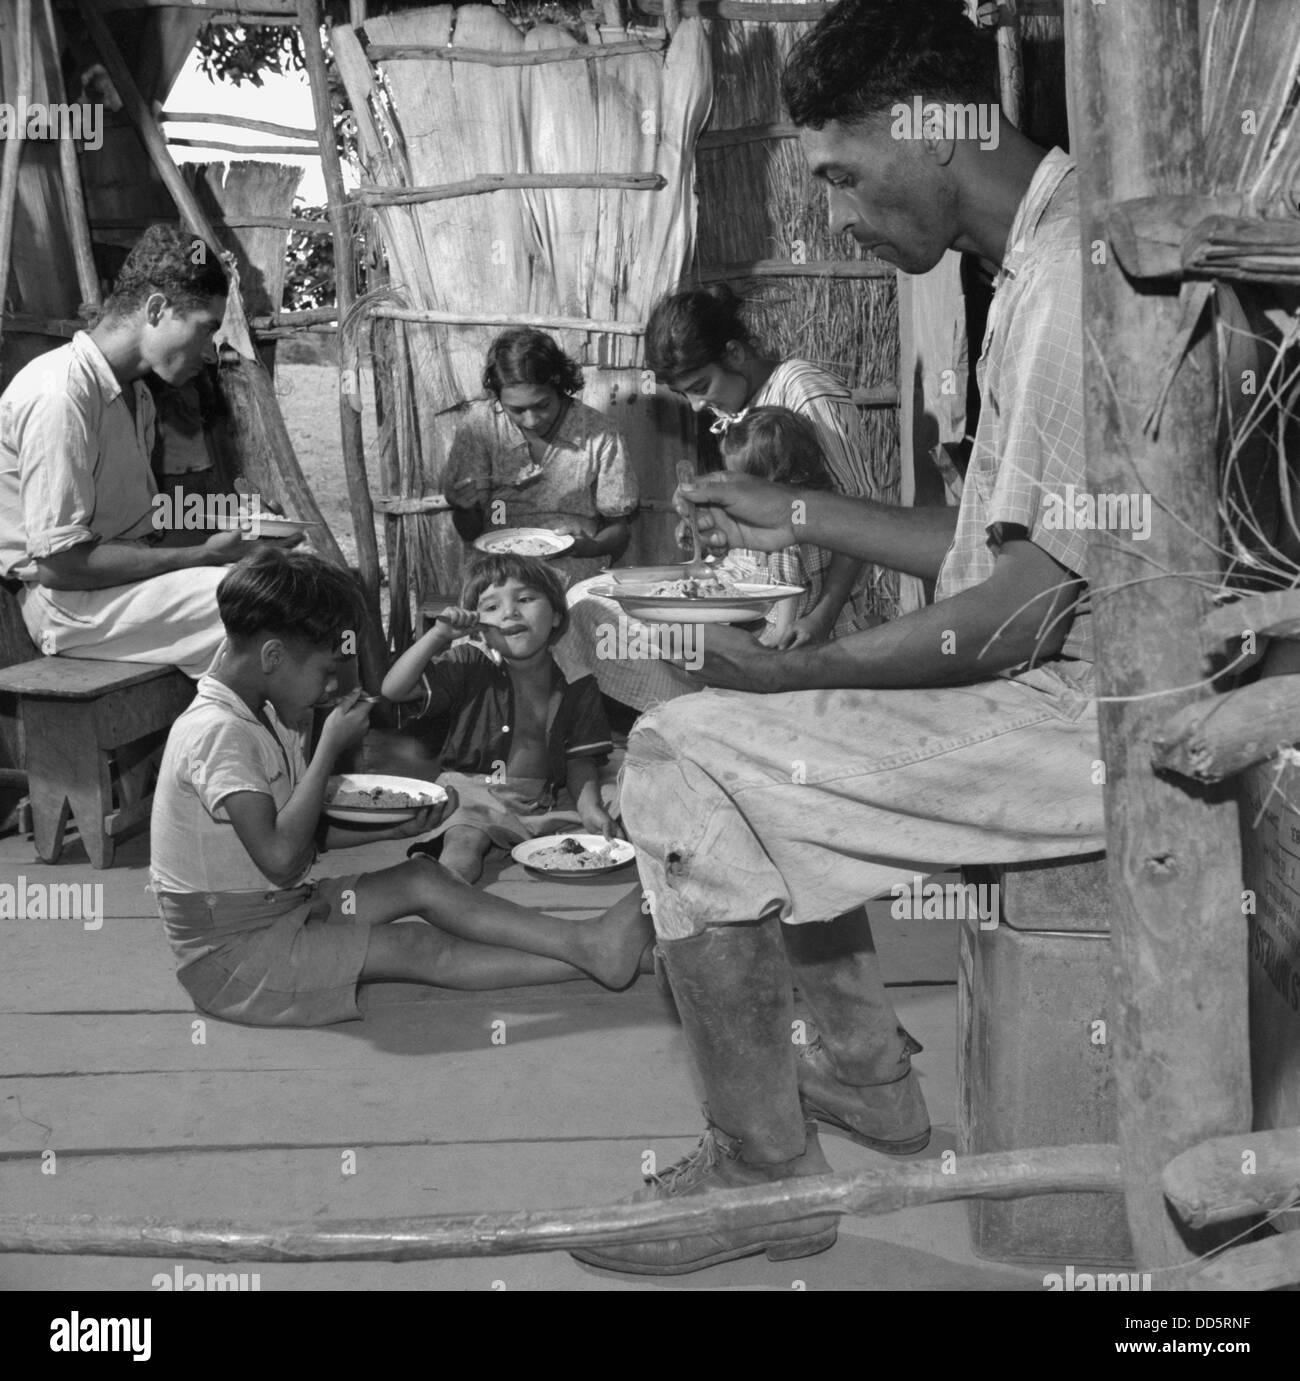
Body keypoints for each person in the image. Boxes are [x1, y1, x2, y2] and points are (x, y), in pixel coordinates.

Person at [572, 0, 1107, 1275]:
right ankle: (863, 1074)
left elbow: (1023, 608)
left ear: (936, 129)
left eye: (839, 174)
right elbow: (994, 553)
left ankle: (768, 1181)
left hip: (1096, 721)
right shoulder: (1034, 264)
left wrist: (790, 669)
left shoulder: (1072, 288)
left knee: (675, 757)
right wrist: (795, 506)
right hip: (1066, 682)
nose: (834, 215)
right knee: (727, 740)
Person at [150, 547, 651, 1028]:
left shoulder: (260, 709)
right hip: (236, 957)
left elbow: (298, 835)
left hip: (285, 908)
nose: (331, 689)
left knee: (424, 880)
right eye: (327, 672)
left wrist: (390, 830)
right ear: (273, 656)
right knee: (416, 947)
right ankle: (594, 952)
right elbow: (280, 856)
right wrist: (327, 750)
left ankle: (595, 946)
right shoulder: (219, 732)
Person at [555, 284, 887, 710]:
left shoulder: (805, 392)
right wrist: (706, 529)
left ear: (733, 353)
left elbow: (862, 519)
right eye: (685, 393)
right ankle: (705, 713)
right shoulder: (735, 408)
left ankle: (713, 714)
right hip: (746, 599)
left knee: (639, 633)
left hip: (808, 616)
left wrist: (819, 618)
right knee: (590, 602)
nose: (695, 406)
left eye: (700, 386)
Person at [0, 225, 277, 676]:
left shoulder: (136, 395)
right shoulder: (59, 393)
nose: (209, 353)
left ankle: (268, 741)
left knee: (287, 581)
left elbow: (134, 521)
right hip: (70, 608)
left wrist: (240, 521)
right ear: (156, 309)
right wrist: (205, 555)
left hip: (115, 591)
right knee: (265, 601)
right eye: (205, 330)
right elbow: (59, 565)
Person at [382, 553, 620, 885]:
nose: (510, 612)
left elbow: (580, 761)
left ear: (555, 616)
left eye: (525, 599)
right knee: (464, 839)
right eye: (492, 607)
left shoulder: (578, 681)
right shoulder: (468, 661)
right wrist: (438, 636)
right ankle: (446, 892)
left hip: (552, 797)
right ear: (479, 629)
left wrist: (591, 808)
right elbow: (394, 690)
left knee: (626, 801)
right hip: (479, 791)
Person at [443, 329, 639, 586]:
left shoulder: (597, 432)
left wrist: (589, 546)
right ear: (497, 396)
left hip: (574, 567)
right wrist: (463, 507)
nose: (532, 420)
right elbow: (470, 531)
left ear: (558, 384)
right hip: (499, 566)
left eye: (542, 405)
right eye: (517, 410)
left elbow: (619, 529)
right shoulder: (480, 427)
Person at [714, 406, 882, 647]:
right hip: (847, 632)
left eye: (742, 483)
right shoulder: (824, 510)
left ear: (770, 482)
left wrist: (777, 643)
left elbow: (787, 595)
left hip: (800, 642)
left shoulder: (783, 532)